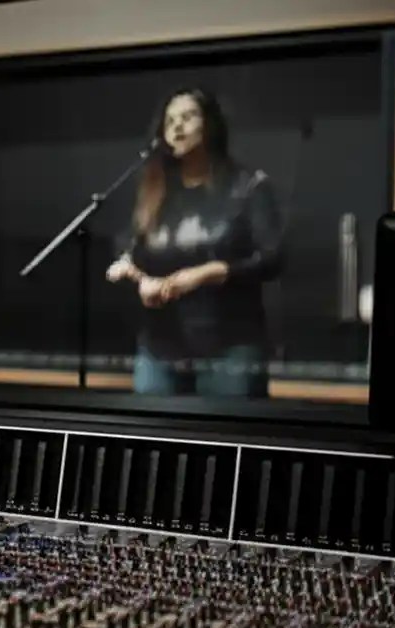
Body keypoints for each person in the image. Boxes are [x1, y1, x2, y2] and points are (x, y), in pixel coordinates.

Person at [106, 87, 284, 398]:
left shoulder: (249, 186)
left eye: (187, 117)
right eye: (170, 120)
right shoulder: (155, 189)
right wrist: (137, 278)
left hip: (230, 350)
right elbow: (129, 248)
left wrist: (212, 271)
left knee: (223, 442)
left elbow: (273, 257)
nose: (176, 126)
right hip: (159, 351)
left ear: (210, 124)